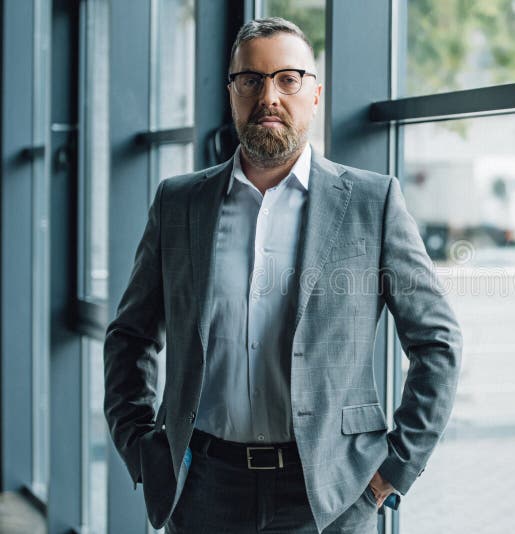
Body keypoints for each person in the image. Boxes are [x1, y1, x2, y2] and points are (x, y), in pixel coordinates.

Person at [104, 17, 462, 534]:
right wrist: (141, 447)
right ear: (232, 95)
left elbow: (437, 342)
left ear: (315, 94)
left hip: (329, 495)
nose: (268, 95)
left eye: (288, 79)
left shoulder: (371, 202)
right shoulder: (179, 203)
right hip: (203, 491)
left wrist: (393, 471)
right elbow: (130, 336)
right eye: (251, 80)